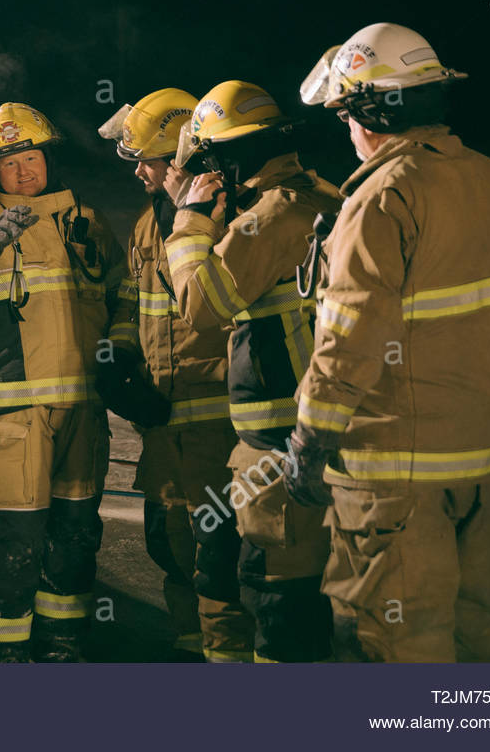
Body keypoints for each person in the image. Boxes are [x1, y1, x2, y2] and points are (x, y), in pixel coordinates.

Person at [287, 23, 490, 661]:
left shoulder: (379, 196)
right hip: (479, 464)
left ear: (369, 112)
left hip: (391, 476)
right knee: (472, 630)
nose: (347, 131)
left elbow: (346, 338)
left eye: (346, 115)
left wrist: (310, 438)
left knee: (390, 641)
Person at [0, 103, 126, 662]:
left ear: (48, 159)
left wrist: (125, 351)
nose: (22, 171)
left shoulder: (84, 219)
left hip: (81, 412)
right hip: (13, 417)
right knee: (12, 536)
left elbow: (126, 292)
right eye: (9, 162)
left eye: (31, 158)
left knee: (75, 532)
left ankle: (62, 641)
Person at [165, 81, 342, 662]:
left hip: (279, 444)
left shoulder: (271, 217)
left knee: (277, 599)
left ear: (233, 156)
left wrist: (189, 223)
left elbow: (202, 305)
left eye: (212, 160)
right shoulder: (318, 194)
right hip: (313, 434)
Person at [99, 89, 254, 662]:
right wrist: (117, 360)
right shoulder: (147, 226)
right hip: (163, 428)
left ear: (182, 159)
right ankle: (192, 655)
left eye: (149, 160)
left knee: (224, 563)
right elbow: (129, 305)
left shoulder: (230, 217)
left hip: (222, 430)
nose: (140, 171)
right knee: (170, 550)